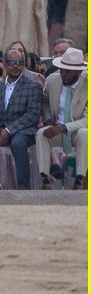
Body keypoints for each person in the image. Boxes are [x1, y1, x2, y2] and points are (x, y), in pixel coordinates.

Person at [0, 46, 43, 190]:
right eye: (12, 63)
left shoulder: (33, 86)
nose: (16, 66)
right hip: (0, 128)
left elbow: (32, 115)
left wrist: (9, 130)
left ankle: (23, 187)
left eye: (19, 63)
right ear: (5, 64)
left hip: (24, 129)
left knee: (18, 144)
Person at [36, 47, 87, 190]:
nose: (63, 74)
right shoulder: (53, 80)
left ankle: (79, 179)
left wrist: (63, 128)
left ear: (78, 71)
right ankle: (46, 179)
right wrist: (47, 119)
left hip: (77, 129)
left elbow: (87, 119)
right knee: (41, 134)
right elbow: (45, 101)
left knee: (84, 134)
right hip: (57, 127)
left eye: (68, 71)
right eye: (62, 69)